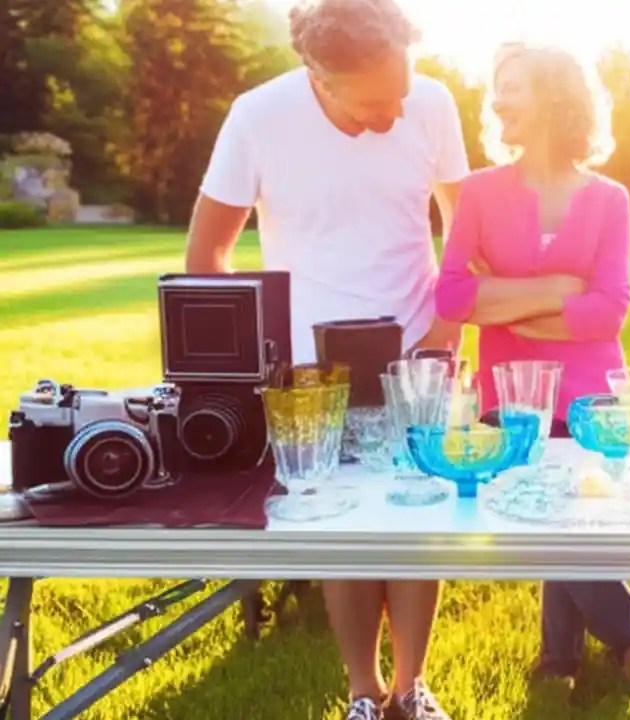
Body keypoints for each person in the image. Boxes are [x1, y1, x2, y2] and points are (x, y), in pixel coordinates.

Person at [184, 1, 466, 718]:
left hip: (417, 354)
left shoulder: (429, 103)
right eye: (375, 103)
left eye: (401, 93)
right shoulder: (257, 116)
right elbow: (207, 255)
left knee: (416, 520)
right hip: (309, 370)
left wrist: (446, 334)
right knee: (342, 527)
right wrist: (251, 368)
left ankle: (412, 687)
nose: (396, 115)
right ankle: (364, 693)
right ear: (318, 75)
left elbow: (464, 231)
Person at [433, 42, 630, 689]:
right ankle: (627, 632)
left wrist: (507, 303)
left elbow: (610, 311)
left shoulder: (611, 199)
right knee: (551, 517)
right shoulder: (475, 192)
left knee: (573, 515)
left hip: (593, 392)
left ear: (555, 97)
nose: (497, 100)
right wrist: (559, 288)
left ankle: (559, 657)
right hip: (514, 392)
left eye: (513, 87)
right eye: (496, 88)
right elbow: (452, 297)